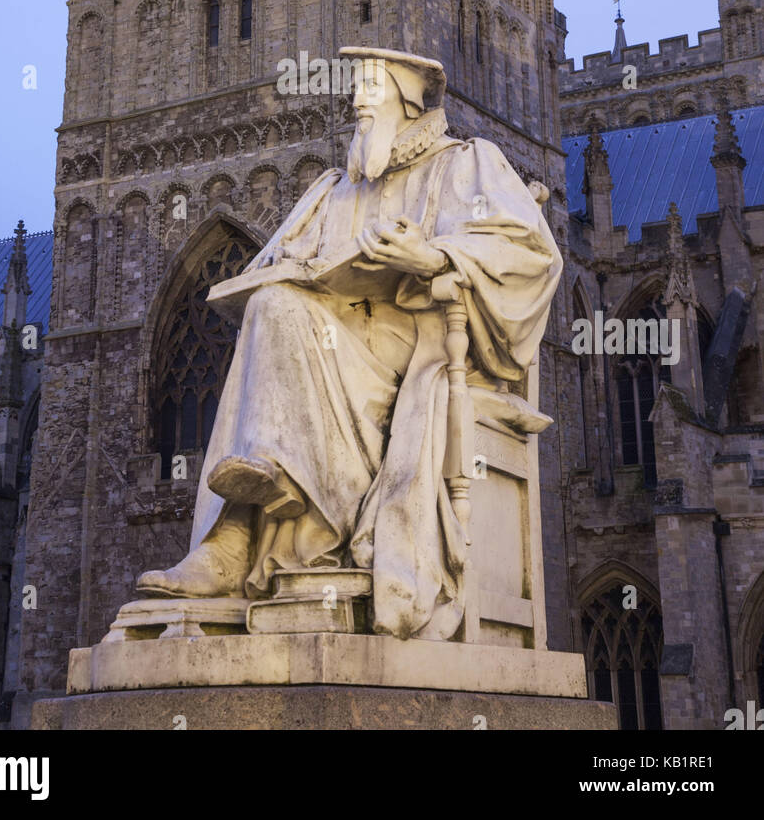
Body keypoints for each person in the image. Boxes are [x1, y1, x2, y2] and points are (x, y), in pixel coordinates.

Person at [138, 48, 562, 640]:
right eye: (355, 89)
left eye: (370, 88)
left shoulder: (466, 166)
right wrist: (297, 269)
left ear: (409, 101)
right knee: (274, 303)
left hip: (419, 349)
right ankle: (235, 531)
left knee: (296, 323)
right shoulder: (333, 188)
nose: (357, 99)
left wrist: (434, 256)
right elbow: (276, 262)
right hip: (336, 340)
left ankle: (251, 529)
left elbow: (532, 255)